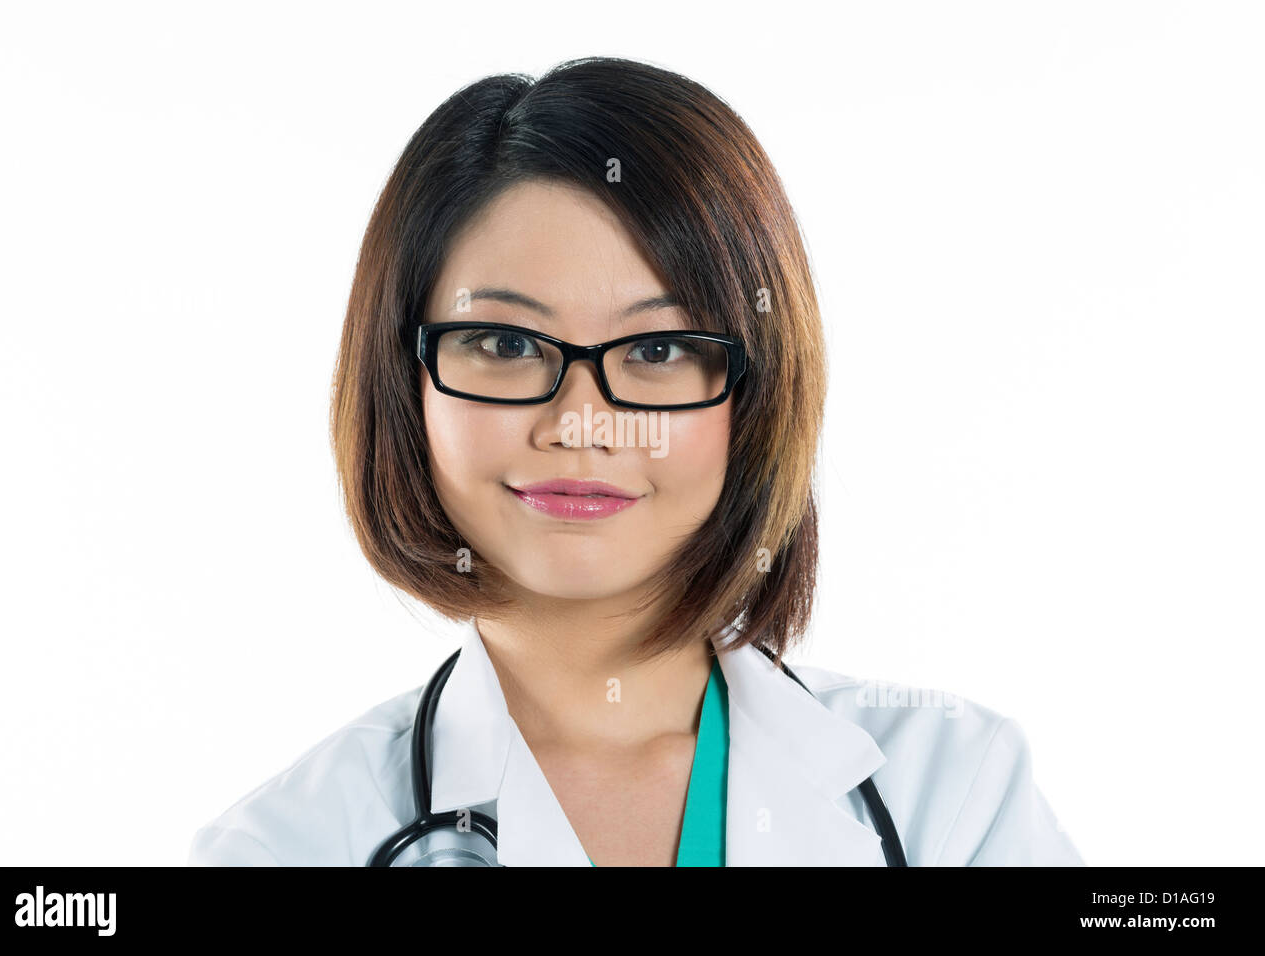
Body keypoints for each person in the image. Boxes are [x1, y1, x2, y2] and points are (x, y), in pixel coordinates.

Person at [188, 56, 1084, 867]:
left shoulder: (955, 798)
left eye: (656, 352)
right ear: (404, 382)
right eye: (504, 341)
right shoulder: (285, 848)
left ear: (755, 392)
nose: (581, 424)